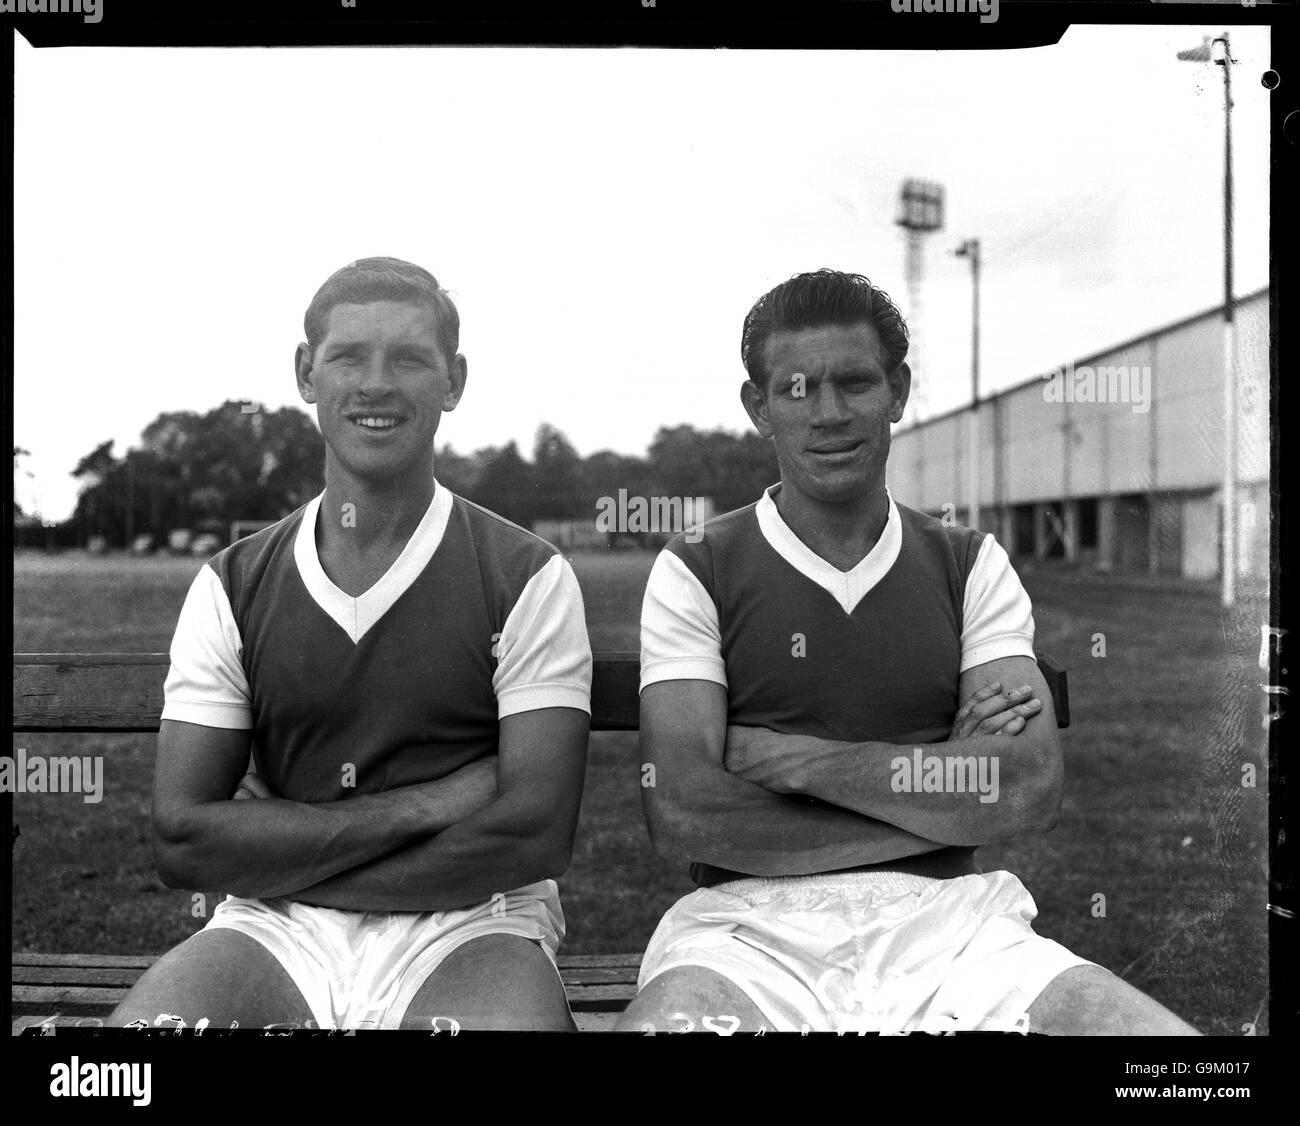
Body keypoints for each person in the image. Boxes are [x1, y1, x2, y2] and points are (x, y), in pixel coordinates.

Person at [618, 269, 1197, 1035]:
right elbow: (687, 812)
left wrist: (785, 761)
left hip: (957, 925)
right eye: (796, 389)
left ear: (897, 392)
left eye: (855, 383)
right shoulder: (698, 565)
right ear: (759, 406)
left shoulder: (968, 563)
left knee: (1179, 1070)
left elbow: (1021, 790)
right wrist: (946, 800)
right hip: (747, 933)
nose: (828, 414)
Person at [111, 257, 592, 1031]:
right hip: (275, 925)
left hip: (472, 920)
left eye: (408, 358)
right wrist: (433, 804)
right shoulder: (233, 583)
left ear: (454, 380)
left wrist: (280, 849)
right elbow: (184, 839)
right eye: (348, 356)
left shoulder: (525, 575)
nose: (377, 383)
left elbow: (531, 835)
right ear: (306, 372)